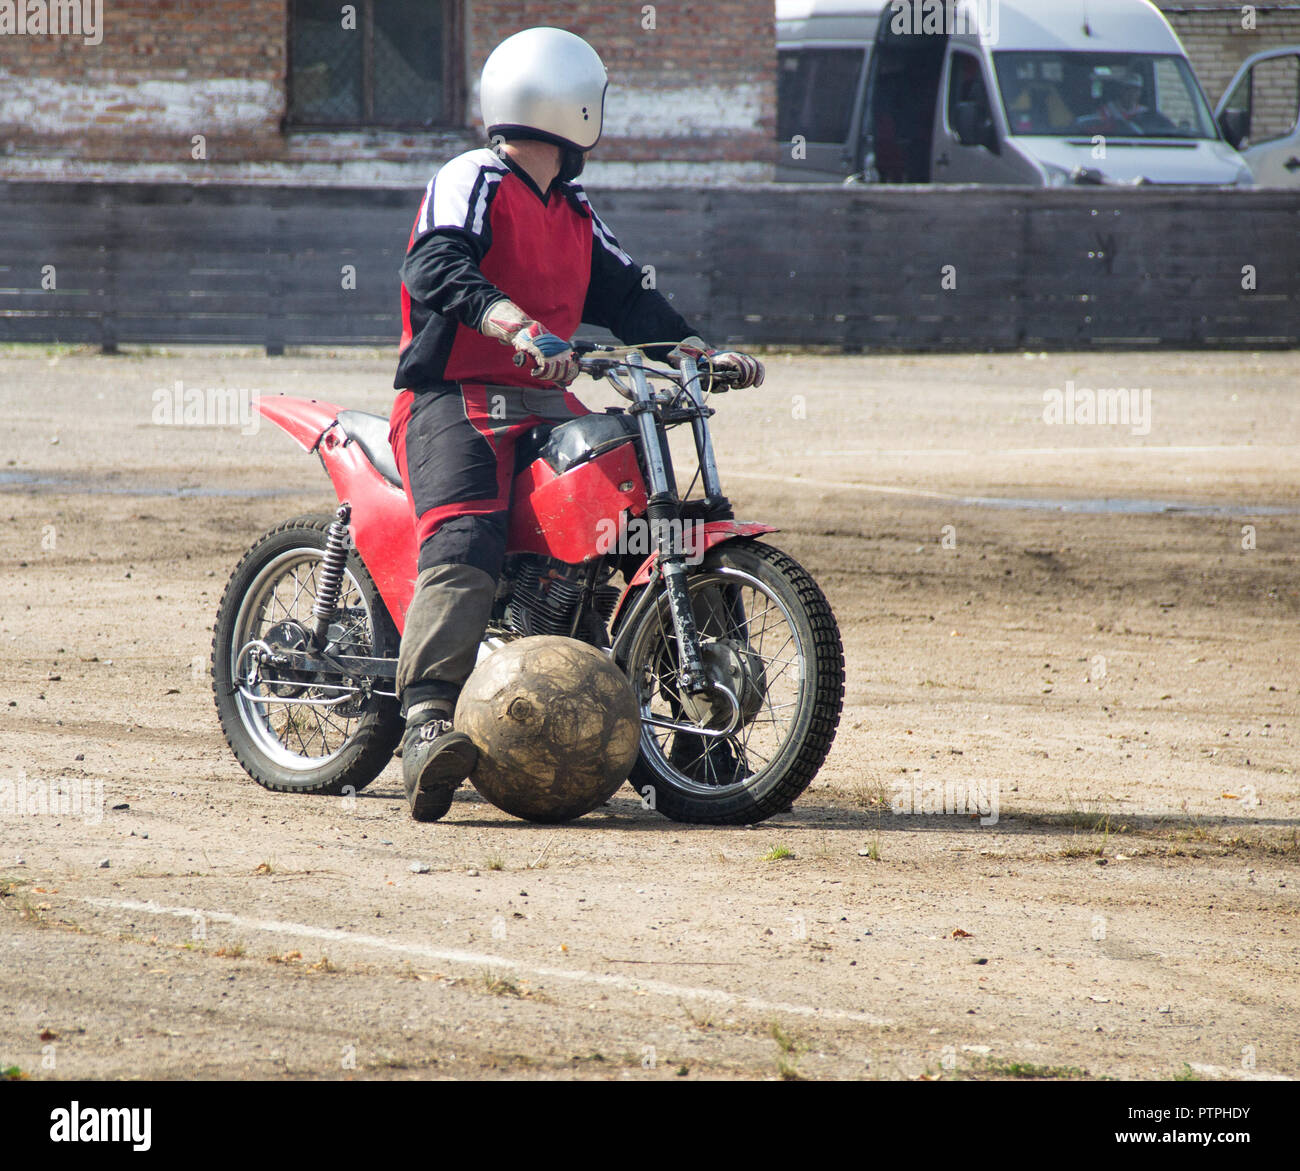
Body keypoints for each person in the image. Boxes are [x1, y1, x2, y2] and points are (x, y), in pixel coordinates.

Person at [389, 27, 765, 822]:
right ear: (578, 106)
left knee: (620, 521)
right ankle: (424, 723)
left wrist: (695, 347)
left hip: (545, 396)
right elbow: (434, 263)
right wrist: (514, 324)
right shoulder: (473, 177)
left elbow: (626, 295)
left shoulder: (573, 208)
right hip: (455, 397)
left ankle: (690, 740)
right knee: (466, 539)